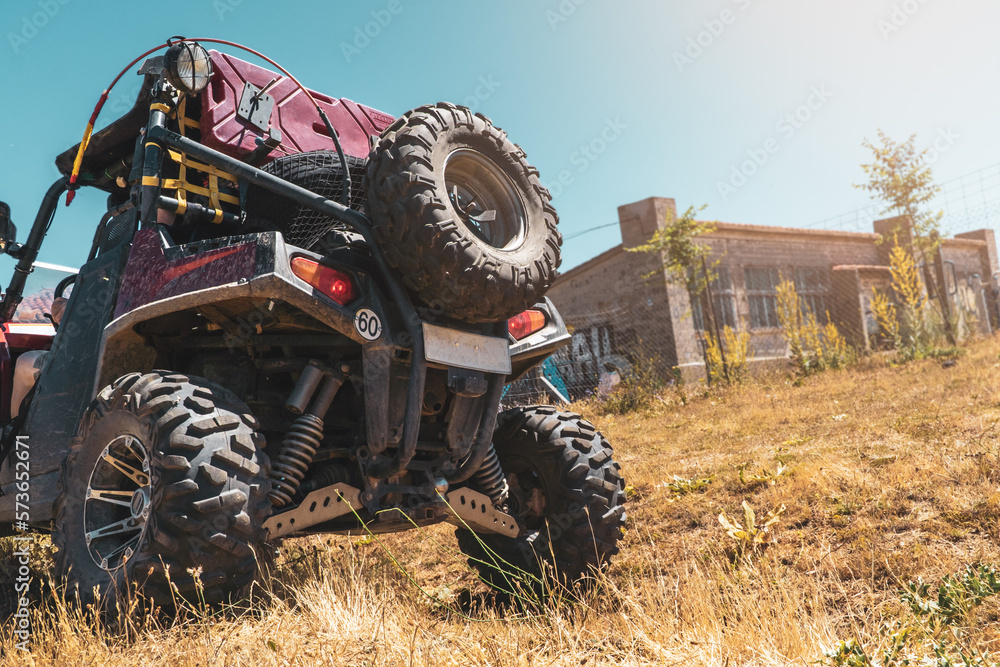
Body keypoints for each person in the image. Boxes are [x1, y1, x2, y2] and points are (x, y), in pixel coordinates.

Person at [10, 296, 67, 418]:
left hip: (80, 361)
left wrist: (62, 306)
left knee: (25, 362)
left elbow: (65, 311)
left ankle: (15, 428)